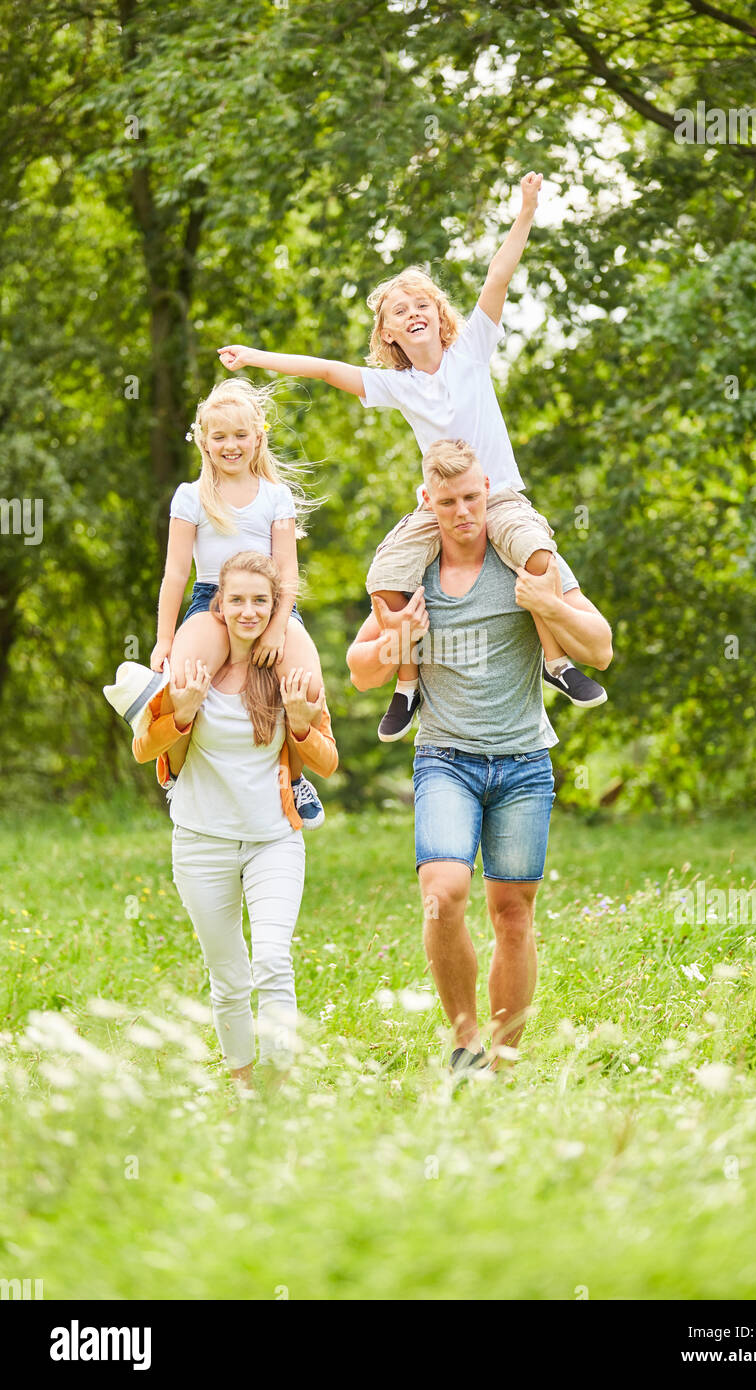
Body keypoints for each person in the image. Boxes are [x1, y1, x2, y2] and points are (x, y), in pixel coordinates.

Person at [217, 171, 607, 745]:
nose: (413, 313)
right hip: (438, 506)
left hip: (497, 496)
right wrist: (254, 356)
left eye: (421, 303)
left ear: (440, 314)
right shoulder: (397, 384)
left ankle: (555, 662)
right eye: (399, 312)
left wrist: (525, 211)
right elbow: (327, 370)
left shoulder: (471, 349)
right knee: (387, 575)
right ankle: (407, 686)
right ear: (389, 334)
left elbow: (499, 274)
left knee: (537, 555)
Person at [346, 441, 613, 1073]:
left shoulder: (522, 558)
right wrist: (396, 641)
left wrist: (545, 604)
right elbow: (359, 672)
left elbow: (600, 648)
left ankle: (504, 1060)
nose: (463, 512)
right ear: (426, 502)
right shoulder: (413, 571)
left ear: (487, 490)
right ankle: (464, 1038)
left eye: (472, 497)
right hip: (445, 758)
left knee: (513, 913)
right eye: (448, 502)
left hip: (523, 761)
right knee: (443, 890)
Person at [130, 551, 338, 1091]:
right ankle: (245, 1089)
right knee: (228, 978)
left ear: (276, 610)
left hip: (274, 840)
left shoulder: (289, 675)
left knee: (272, 960)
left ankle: (281, 1084)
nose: (249, 611)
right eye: (238, 600)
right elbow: (142, 748)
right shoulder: (194, 668)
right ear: (219, 604)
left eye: (261, 602)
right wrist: (181, 710)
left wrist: (298, 725)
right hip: (202, 843)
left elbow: (328, 761)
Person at [149, 376, 326, 828]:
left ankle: (297, 775)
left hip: (269, 602)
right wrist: (163, 640)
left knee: (303, 678)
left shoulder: (275, 496)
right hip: (212, 598)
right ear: (205, 442)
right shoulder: (191, 497)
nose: (231, 445)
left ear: (258, 437)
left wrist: (277, 625)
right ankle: (177, 769)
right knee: (184, 678)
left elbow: (286, 574)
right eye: (220, 436)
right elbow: (174, 575)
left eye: (241, 435)